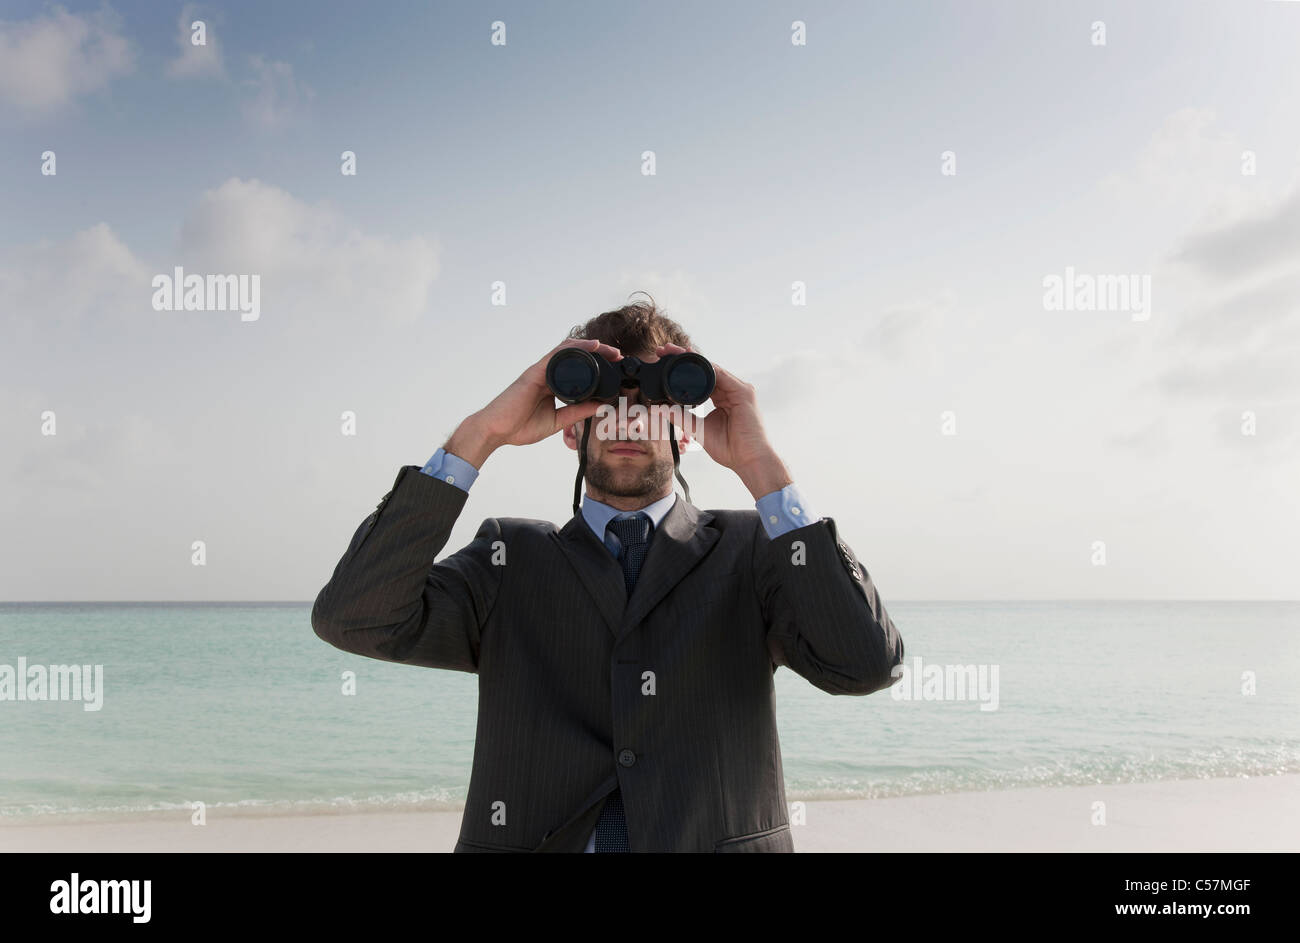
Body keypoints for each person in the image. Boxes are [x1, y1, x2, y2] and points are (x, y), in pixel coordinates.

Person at [311, 295, 905, 852]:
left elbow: (865, 664)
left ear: (685, 429)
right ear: (572, 426)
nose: (628, 421)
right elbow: (355, 619)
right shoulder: (507, 558)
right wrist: (481, 435)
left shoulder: (752, 549)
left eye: (650, 402)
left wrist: (763, 469)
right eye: (607, 402)